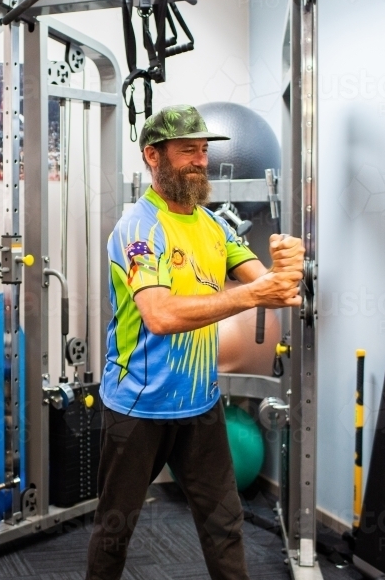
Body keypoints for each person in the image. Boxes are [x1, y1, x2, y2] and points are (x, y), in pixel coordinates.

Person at [86, 105, 305, 580]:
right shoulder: (139, 230)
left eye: (204, 151)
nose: (200, 161)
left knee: (224, 523)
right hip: (138, 407)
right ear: (153, 156)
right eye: (188, 151)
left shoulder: (213, 226)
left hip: (199, 405)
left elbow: (277, 290)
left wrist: (291, 265)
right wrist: (256, 292)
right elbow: (160, 315)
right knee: (115, 528)